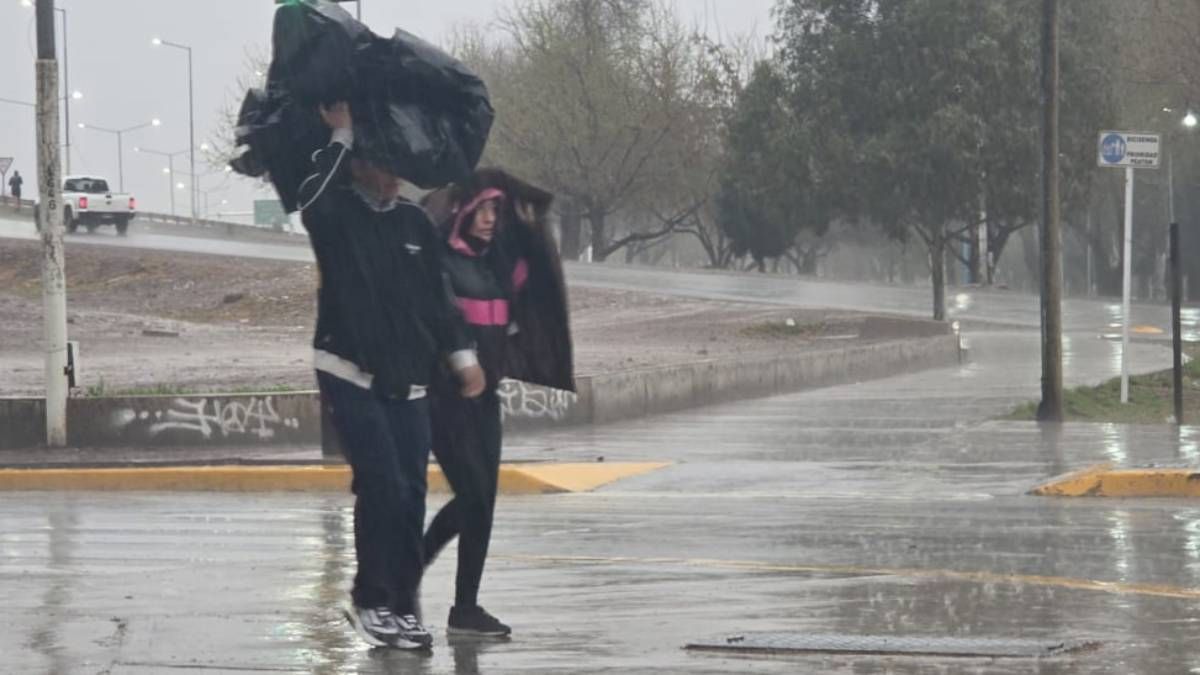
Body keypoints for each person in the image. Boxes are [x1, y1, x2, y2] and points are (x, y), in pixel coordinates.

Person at [298, 101, 485, 650]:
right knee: (379, 483)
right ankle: (371, 600)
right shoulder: (336, 215)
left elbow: (438, 298)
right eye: (381, 164)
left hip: (411, 379)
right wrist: (342, 134)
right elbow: (310, 201)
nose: (391, 177)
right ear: (359, 164)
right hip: (348, 370)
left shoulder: (413, 224)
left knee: (410, 492)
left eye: (396, 167)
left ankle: (402, 606)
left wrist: (461, 354)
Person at [420, 171, 574, 638]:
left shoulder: (495, 266)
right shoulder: (439, 263)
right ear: (462, 210)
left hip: (486, 401)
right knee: (472, 497)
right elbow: (441, 321)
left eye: (495, 211)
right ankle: (404, 575)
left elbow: (535, 271)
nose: (490, 219)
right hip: (444, 400)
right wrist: (463, 361)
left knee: (482, 504)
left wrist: (527, 222)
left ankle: (465, 608)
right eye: (483, 209)